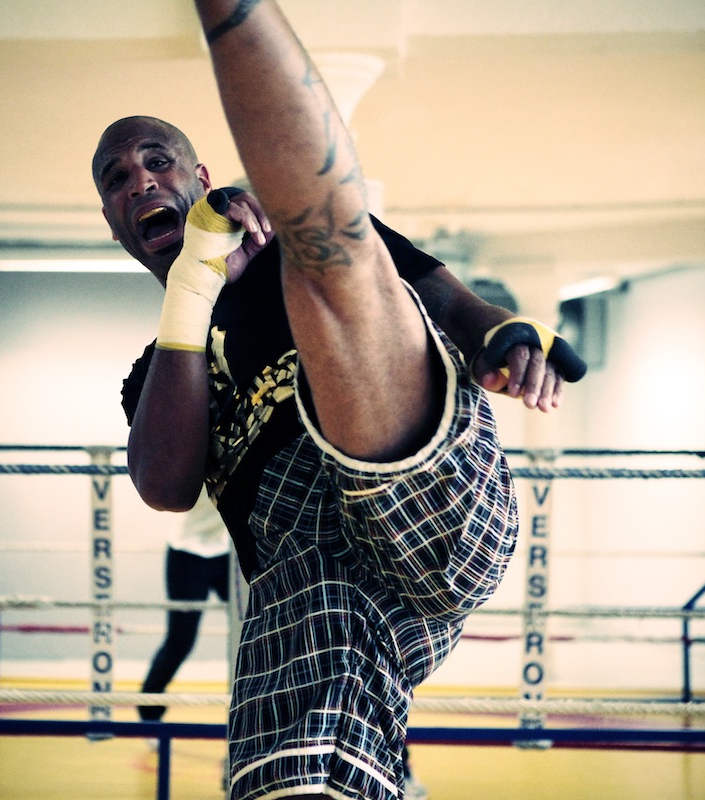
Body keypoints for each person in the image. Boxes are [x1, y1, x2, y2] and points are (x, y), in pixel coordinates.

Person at [96, 3, 586, 797]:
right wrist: (191, 290)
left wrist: (509, 335)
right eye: (118, 180)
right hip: (312, 586)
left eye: (158, 162)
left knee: (320, 247)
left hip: (428, 495)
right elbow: (164, 486)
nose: (141, 181)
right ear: (114, 223)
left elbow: (459, 306)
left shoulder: (297, 250)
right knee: (292, 776)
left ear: (200, 182)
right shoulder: (156, 371)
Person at [133, 488, 230, 725]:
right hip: (187, 554)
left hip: (228, 552)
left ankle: (250, 716)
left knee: (255, 626)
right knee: (180, 640)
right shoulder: (201, 459)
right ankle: (149, 714)